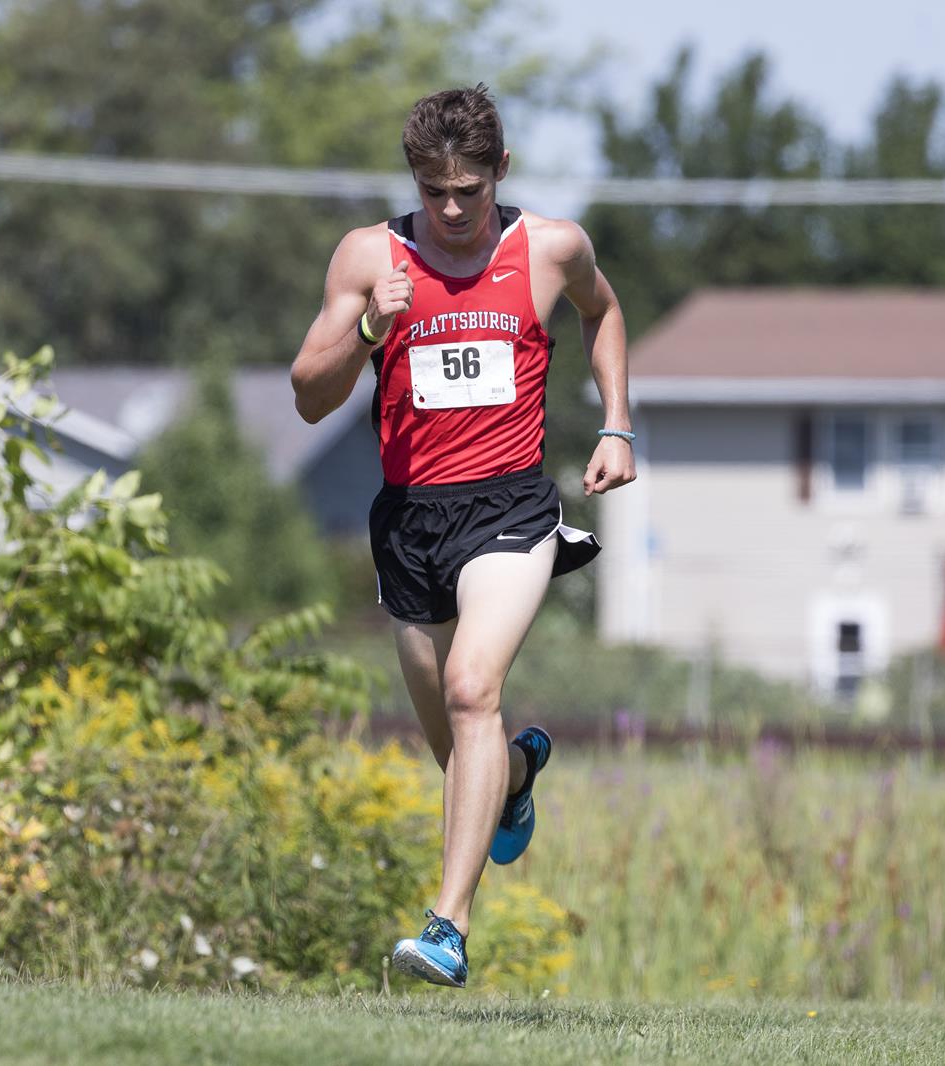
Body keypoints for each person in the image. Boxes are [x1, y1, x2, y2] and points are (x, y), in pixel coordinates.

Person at [290, 84, 635, 988]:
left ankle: (447, 927)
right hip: (409, 520)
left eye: (468, 191)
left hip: (511, 509)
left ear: (501, 173)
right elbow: (307, 393)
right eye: (432, 190)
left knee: (472, 688)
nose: (449, 210)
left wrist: (617, 422)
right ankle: (516, 781)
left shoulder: (550, 248)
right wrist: (372, 325)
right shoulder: (372, 255)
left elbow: (606, 312)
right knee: (456, 750)